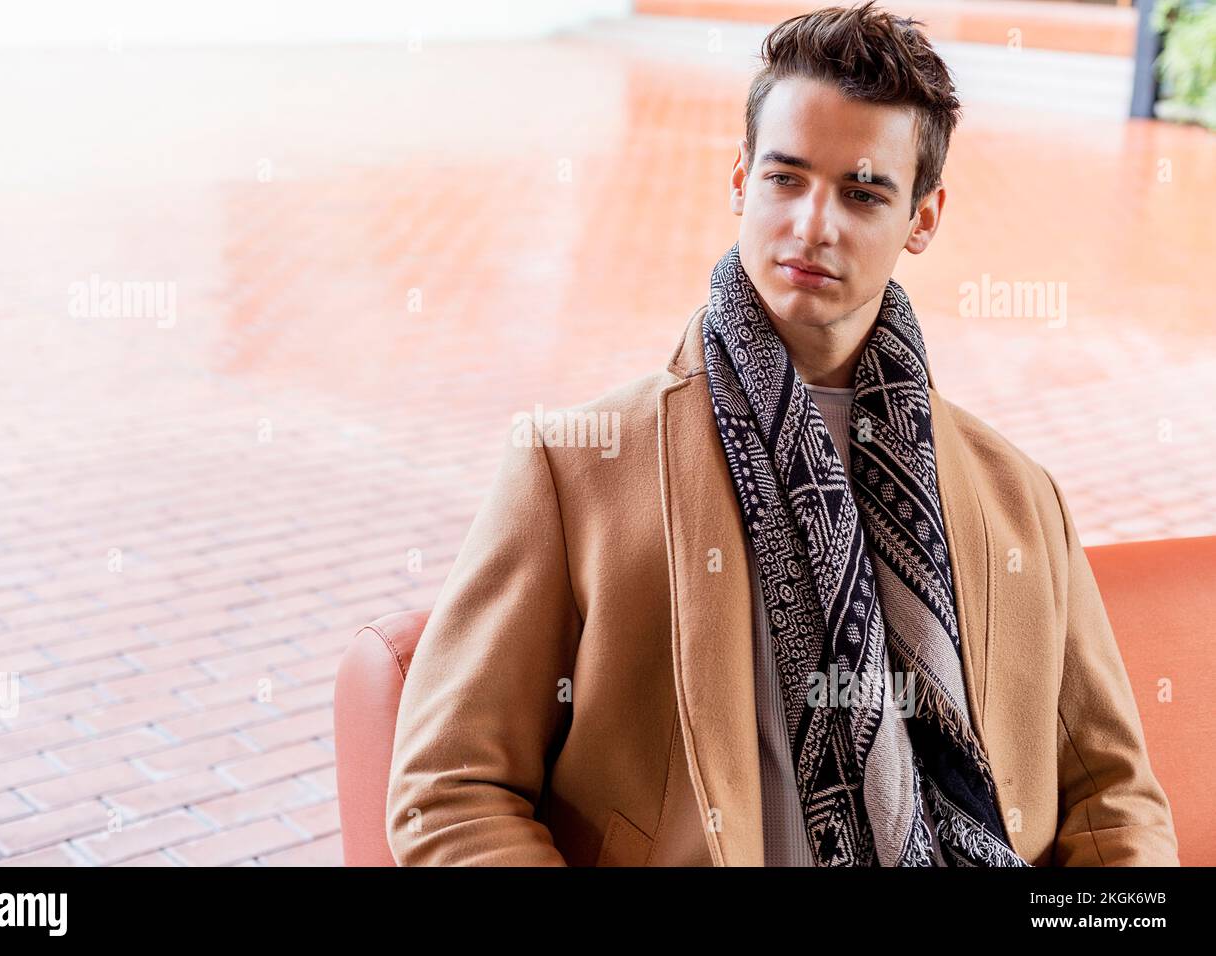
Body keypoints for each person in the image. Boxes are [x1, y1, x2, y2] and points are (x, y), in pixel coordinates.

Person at [384, 1, 1180, 866]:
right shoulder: (574, 468)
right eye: (786, 178)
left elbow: (1114, 800)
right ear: (739, 181)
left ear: (924, 219)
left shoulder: (1021, 498)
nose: (813, 225)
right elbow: (451, 790)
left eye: (864, 191)